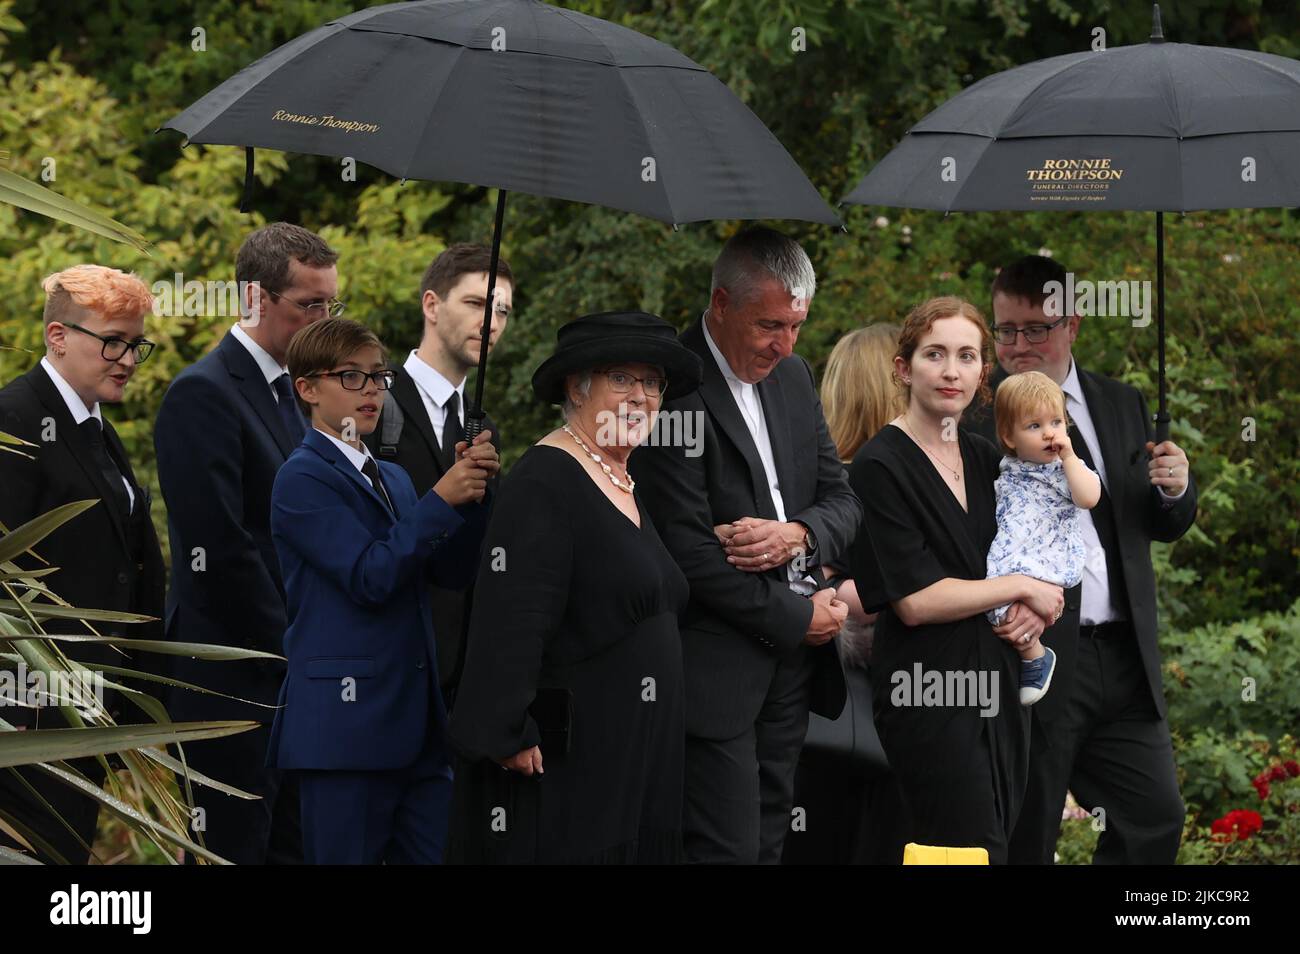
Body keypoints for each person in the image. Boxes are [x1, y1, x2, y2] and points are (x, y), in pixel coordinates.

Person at [630, 227, 861, 865]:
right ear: (721, 303)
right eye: (769, 326)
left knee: (768, 847)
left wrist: (800, 534)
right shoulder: (669, 385)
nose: (783, 344)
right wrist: (800, 617)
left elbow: (845, 502)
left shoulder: (793, 377)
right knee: (723, 852)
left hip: (793, 666)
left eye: (795, 326)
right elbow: (686, 550)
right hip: (715, 666)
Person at [448, 311, 702, 864]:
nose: (642, 396)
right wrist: (506, 727)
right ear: (576, 386)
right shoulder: (546, 479)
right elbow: (510, 617)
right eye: (622, 379)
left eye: (653, 382)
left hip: (637, 760)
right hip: (572, 768)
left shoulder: (624, 480)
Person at [967, 254, 1198, 864]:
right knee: (1030, 831)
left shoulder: (1121, 402)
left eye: (1035, 329)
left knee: (1153, 820)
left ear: (1072, 324)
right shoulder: (976, 416)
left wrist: (1174, 488)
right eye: (1006, 330)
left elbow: (1154, 521)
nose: (1017, 345)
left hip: (1124, 654)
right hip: (1037, 650)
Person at [267, 318, 496, 864]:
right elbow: (371, 576)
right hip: (345, 735)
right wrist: (441, 499)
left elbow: (448, 573)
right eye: (351, 377)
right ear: (307, 388)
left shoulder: (392, 477)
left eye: (378, 376)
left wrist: (476, 494)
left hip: (417, 727)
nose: (371, 390)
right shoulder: (300, 478)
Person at [848, 296, 1066, 864]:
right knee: (963, 854)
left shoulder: (985, 454)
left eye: (967, 356)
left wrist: (1041, 604)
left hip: (1002, 687)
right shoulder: (880, 465)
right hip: (929, 693)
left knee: (1006, 851)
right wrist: (1021, 588)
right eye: (935, 354)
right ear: (903, 368)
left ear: (983, 374)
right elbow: (915, 600)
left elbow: (1036, 543)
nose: (951, 371)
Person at [154, 222, 340, 864]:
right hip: (231, 682)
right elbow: (220, 552)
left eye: (330, 305)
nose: (323, 322)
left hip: (296, 681)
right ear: (256, 300)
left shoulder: (299, 397)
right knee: (229, 851)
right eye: (309, 306)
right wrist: (304, 644)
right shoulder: (201, 394)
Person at [0, 265, 165, 863]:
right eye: (112, 340)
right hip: (30, 717)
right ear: (58, 337)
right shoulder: (13, 418)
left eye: (136, 343)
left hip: (87, 707)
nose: (127, 358)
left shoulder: (98, 428)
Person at [362, 244, 513, 708]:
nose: (490, 323)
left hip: (459, 681)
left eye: (503, 311)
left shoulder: (483, 429)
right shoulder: (371, 402)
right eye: (476, 304)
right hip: (380, 668)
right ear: (431, 304)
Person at [986, 370, 1101, 705]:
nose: (1050, 433)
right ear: (1009, 436)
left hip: (1046, 555)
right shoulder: (1008, 467)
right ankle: (1030, 654)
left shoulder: (1065, 468)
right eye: (1034, 426)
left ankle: (1035, 656)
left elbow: (1089, 497)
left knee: (1008, 609)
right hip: (1012, 555)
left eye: (1056, 422)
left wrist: (1069, 457)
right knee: (999, 607)